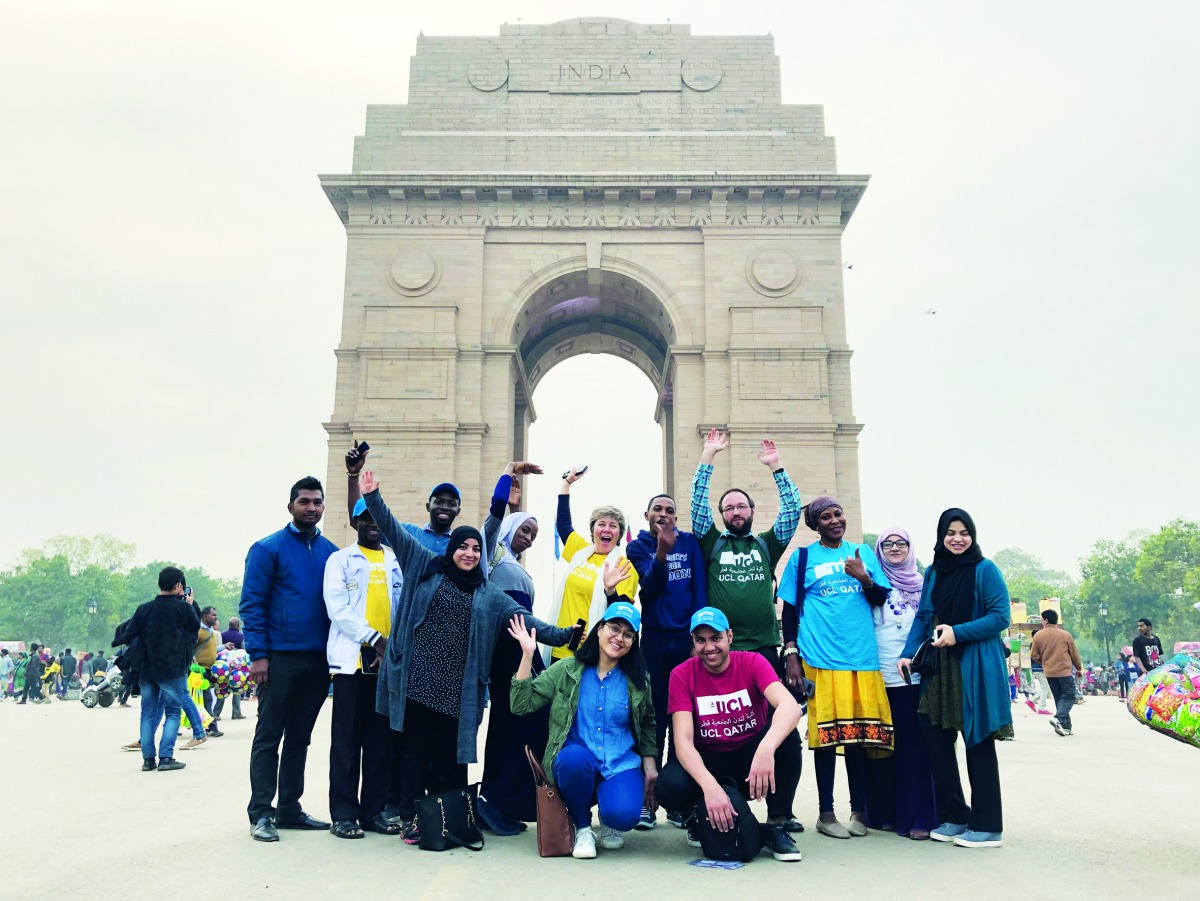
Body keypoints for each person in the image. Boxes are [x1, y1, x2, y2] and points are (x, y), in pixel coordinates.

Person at [359, 469, 579, 846]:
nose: (469, 553)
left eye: (476, 550)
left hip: (457, 691)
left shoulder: (488, 593)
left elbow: (527, 620)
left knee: (451, 758)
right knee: (414, 752)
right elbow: (392, 529)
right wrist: (372, 496)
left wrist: (566, 635)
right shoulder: (424, 567)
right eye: (463, 547)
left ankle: (450, 817)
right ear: (452, 549)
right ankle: (412, 817)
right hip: (418, 682)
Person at [778, 497, 892, 839]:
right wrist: (792, 656)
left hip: (862, 659)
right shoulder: (802, 558)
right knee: (825, 740)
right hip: (820, 660)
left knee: (857, 738)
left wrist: (866, 579)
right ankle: (826, 814)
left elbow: (880, 600)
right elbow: (788, 612)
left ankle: (859, 810)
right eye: (825, 517)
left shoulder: (862, 553)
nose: (834, 520)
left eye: (837, 514)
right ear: (815, 525)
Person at [898, 509, 1011, 849]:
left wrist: (957, 633)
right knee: (934, 737)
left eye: (964, 532)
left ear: (973, 535)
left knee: (977, 742)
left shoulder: (985, 569)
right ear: (941, 536)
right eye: (951, 532)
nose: (957, 538)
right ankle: (956, 815)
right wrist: (907, 651)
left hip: (974, 664)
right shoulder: (933, 572)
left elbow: (1000, 616)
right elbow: (924, 616)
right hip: (939, 666)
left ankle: (988, 825)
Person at [654, 607, 804, 862]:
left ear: (730, 637)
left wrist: (766, 749)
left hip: (750, 760)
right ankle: (700, 818)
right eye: (700, 640)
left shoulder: (753, 662)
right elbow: (682, 740)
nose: (709, 647)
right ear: (693, 642)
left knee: (787, 740)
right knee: (669, 785)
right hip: (709, 759)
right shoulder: (681, 674)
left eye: (715, 638)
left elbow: (790, 707)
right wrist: (709, 787)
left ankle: (777, 823)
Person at [509, 603, 658, 860]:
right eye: (614, 628)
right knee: (572, 759)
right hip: (578, 762)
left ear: (633, 642)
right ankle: (584, 827)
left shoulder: (638, 680)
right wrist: (526, 654)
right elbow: (521, 704)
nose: (619, 638)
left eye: (627, 634)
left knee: (624, 815)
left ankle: (609, 816)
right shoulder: (567, 670)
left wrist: (650, 764)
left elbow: (647, 723)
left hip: (619, 763)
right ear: (600, 630)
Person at [241, 476, 339, 843]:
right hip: (278, 658)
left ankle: (289, 809)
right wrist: (258, 656)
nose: (311, 507)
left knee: (300, 738)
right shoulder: (267, 549)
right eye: (304, 502)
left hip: (317, 660)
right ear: (290, 507)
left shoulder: (332, 552)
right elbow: (252, 605)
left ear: (323, 507)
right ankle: (261, 812)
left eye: (316, 502)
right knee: (268, 737)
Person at [324, 497, 405, 839]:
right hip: (351, 665)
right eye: (365, 518)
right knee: (346, 742)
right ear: (354, 522)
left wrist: (392, 645)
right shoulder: (340, 560)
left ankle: (372, 812)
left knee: (379, 743)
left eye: (377, 518)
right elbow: (338, 608)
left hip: (386, 665)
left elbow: (403, 608)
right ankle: (343, 814)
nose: (373, 523)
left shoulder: (396, 561)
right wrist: (374, 639)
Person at [625, 492, 707, 829]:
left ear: (676, 516)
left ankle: (676, 801)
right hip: (656, 643)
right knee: (653, 718)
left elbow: (699, 590)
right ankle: (649, 800)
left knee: (683, 720)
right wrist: (660, 551)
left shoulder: (689, 544)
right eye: (658, 509)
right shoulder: (638, 547)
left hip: (686, 641)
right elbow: (649, 589)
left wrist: (697, 638)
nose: (664, 514)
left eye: (670, 510)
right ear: (647, 515)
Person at [477, 462, 550, 836]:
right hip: (507, 650)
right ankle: (495, 798)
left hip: (524, 647)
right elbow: (492, 523)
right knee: (527, 721)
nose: (530, 537)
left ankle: (500, 798)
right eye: (525, 529)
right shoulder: (490, 555)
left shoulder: (512, 563)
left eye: (535, 533)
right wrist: (505, 481)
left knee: (511, 725)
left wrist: (516, 504)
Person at [690, 429, 801, 661]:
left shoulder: (767, 543)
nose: (736, 512)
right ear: (720, 515)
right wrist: (708, 455)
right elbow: (698, 503)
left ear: (752, 510)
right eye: (728, 508)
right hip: (721, 647)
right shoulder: (711, 542)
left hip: (765, 645)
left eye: (741, 506)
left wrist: (776, 466)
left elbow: (791, 510)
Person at [857, 529, 939, 840]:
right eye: (887, 544)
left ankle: (918, 817)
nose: (894, 548)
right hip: (879, 678)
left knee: (915, 749)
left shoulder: (924, 585)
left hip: (916, 678)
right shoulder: (873, 587)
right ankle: (883, 814)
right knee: (880, 749)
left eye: (900, 543)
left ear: (910, 547)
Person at [546, 467, 638, 662]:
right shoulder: (581, 552)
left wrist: (610, 589)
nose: (607, 529)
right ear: (593, 530)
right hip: (560, 646)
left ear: (619, 535)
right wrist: (566, 484)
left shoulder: (624, 566)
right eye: (601, 524)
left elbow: (620, 615)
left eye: (613, 526)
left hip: (591, 652)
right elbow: (563, 525)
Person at [121, 567, 206, 773]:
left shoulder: (144, 609)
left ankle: (148, 760)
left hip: (146, 669)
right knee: (173, 713)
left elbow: (129, 632)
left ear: (159, 584)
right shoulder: (182, 609)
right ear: (178, 586)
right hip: (172, 668)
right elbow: (195, 629)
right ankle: (166, 757)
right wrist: (189, 604)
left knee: (148, 713)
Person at [346, 443, 461, 553]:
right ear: (428, 506)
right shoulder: (408, 533)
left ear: (458, 511)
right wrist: (353, 475)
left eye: (451, 504)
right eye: (439, 502)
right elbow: (358, 521)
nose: (445, 507)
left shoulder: (462, 544)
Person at [1030, 609, 1082, 737]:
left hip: (1049, 672)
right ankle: (1058, 718)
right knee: (1069, 696)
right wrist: (1079, 667)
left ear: (1046, 620)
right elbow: (1074, 654)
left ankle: (1066, 727)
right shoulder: (1065, 635)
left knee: (1059, 698)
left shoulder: (1038, 635)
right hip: (1064, 671)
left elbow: (1034, 655)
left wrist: (1045, 662)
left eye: (1042, 620)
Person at [194, 606, 224, 738]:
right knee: (206, 699)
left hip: (208, 670)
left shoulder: (210, 631)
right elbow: (189, 647)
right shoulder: (198, 631)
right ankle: (211, 727)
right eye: (213, 615)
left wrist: (224, 647)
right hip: (198, 671)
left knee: (203, 699)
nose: (215, 617)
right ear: (205, 616)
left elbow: (211, 649)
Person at [214, 617, 245, 721]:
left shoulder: (222, 634)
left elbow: (219, 647)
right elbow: (243, 650)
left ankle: (216, 713)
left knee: (222, 687)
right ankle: (236, 713)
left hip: (222, 666)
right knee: (237, 687)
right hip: (237, 666)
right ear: (238, 626)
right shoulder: (241, 636)